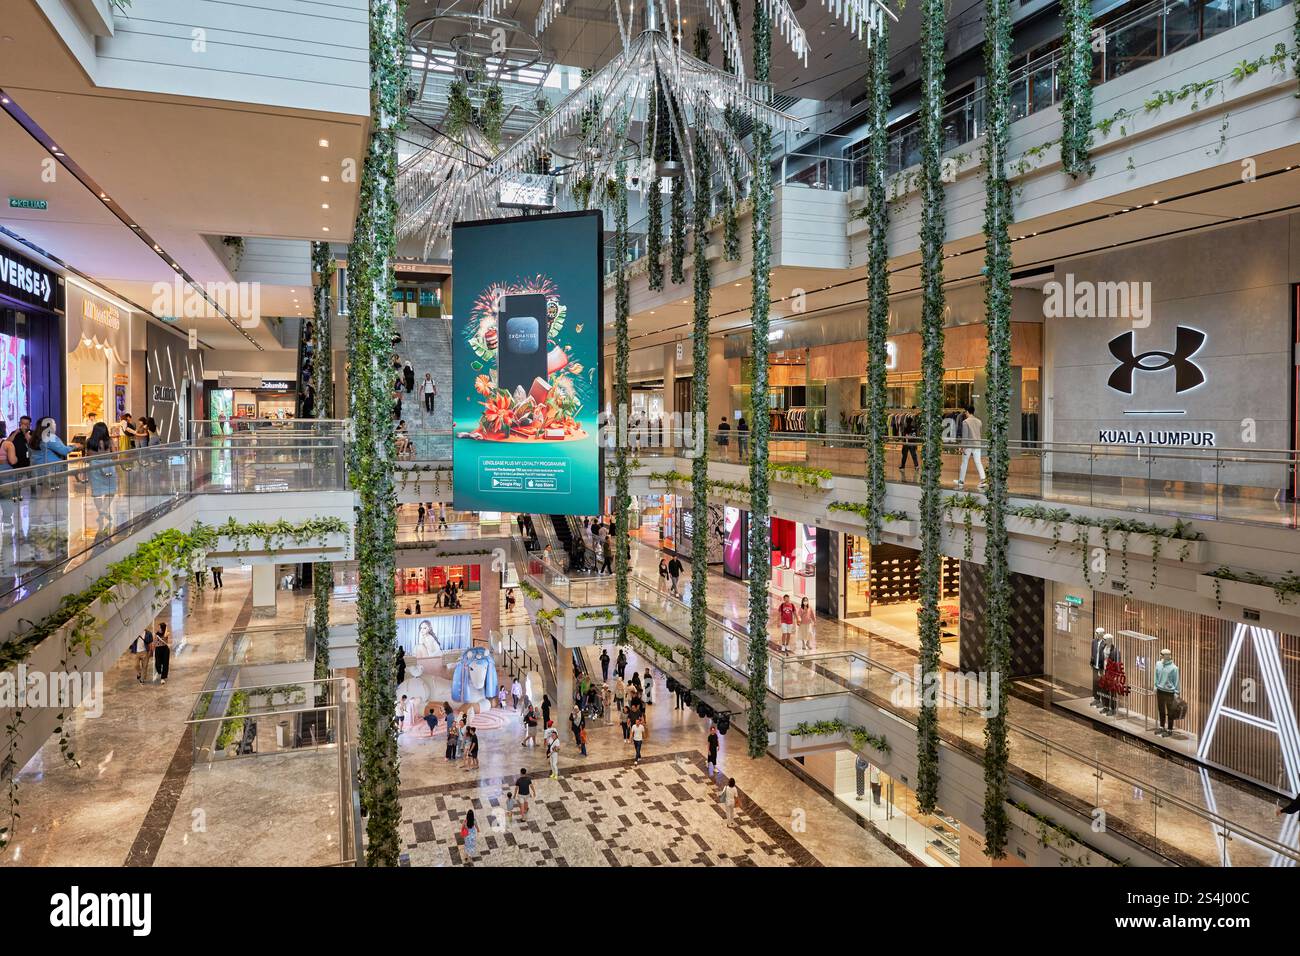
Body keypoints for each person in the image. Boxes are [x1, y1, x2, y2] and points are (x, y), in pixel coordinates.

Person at [955, 404, 986, 488]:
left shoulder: (965, 422)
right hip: (977, 444)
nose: (965, 413)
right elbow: (979, 433)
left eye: (965, 412)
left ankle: (961, 481)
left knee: (964, 462)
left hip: (968, 445)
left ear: (968, 412)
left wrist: (962, 447)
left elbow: (965, 436)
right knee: (978, 462)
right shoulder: (979, 421)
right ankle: (983, 479)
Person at [899, 405, 919, 476]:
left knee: (905, 455)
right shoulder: (912, 428)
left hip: (908, 442)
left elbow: (906, 435)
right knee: (912, 455)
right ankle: (915, 466)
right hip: (910, 442)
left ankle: (903, 466)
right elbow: (914, 435)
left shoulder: (907, 428)